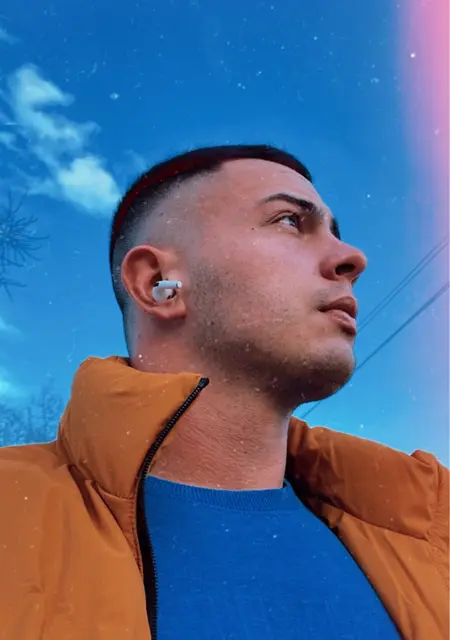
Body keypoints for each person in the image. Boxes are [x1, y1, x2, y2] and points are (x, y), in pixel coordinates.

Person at [0, 145, 448, 640]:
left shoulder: (432, 534)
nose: (352, 259)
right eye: (289, 221)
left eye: (335, 232)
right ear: (158, 283)